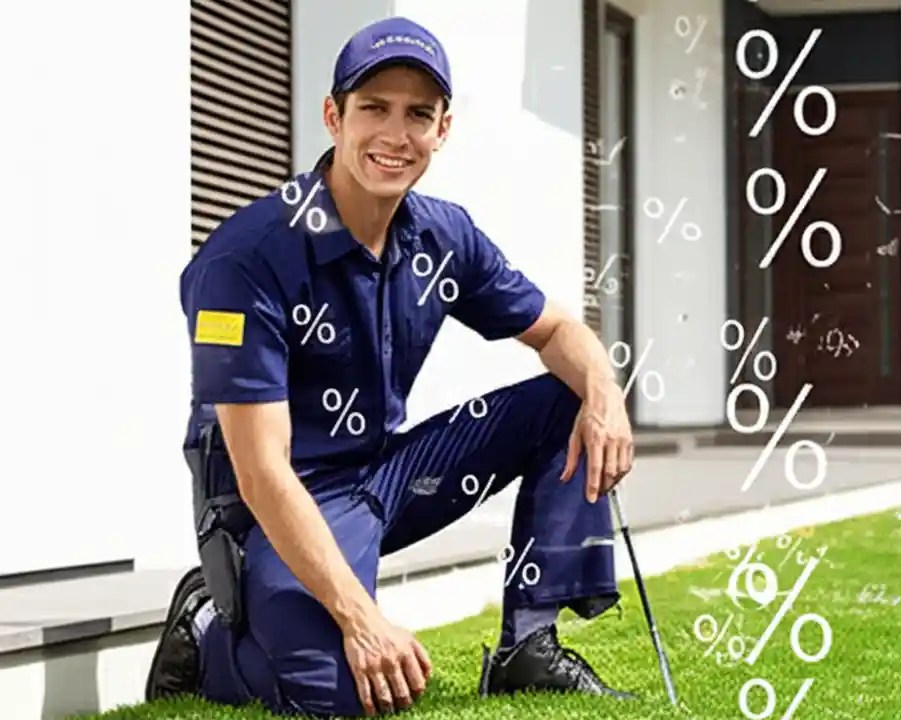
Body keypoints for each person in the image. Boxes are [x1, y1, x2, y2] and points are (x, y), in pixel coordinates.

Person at [145, 16, 638, 717]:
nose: (395, 135)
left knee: (569, 398)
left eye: (418, 114)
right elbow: (260, 471)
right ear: (332, 116)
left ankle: (528, 646)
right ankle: (207, 632)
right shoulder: (244, 261)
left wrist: (604, 392)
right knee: (344, 696)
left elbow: (557, 329)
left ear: (443, 129)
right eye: (373, 108)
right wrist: (361, 619)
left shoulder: (444, 235)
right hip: (279, 498)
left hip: (386, 473)